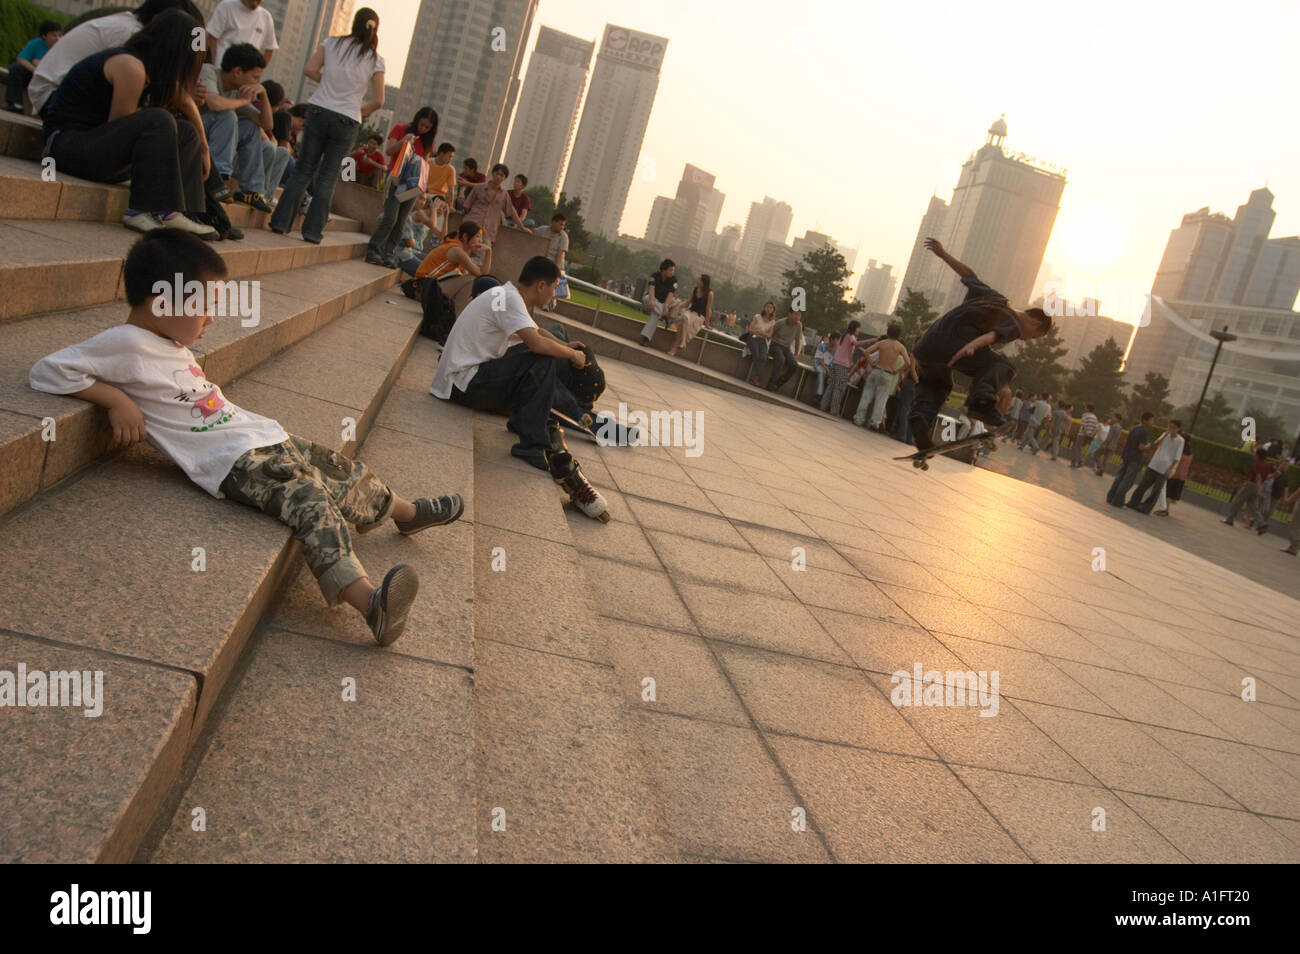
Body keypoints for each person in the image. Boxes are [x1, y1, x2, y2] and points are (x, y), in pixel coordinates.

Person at [28, 231, 463, 645]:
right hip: (233, 462)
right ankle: (370, 603)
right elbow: (47, 369)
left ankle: (404, 512)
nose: (211, 319)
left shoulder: (166, 340)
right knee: (311, 501)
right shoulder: (125, 342)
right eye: (204, 306)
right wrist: (113, 400)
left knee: (338, 469)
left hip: (258, 436)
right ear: (161, 304)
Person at [430, 256, 608, 519]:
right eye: (554, 286)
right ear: (540, 285)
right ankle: (530, 444)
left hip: (461, 380)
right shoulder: (509, 299)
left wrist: (565, 346)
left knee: (543, 353)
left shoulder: (507, 295)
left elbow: (536, 333)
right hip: (463, 383)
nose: (554, 294)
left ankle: (527, 424)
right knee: (542, 358)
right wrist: (570, 356)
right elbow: (536, 345)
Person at [42, 10, 214, 238]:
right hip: (65, 148)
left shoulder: (148, 70)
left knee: (186, 132)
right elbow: (121, 126)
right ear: (175, 53)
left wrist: (203, 146)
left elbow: (183, 99)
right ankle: (140, 210)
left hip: (92, 150)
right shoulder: (130, 66)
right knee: (159, 119)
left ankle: (182, 213)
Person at [907, 238, 1051, 451]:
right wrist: (973, 345)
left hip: (927, 346)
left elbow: (968, 275)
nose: (1027, 339)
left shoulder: (994, 297)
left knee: (936, 386)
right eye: (1033, 336)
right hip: (957, 344)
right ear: (1034, 322)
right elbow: (992, 336)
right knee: (1005, 366)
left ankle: (920, 424)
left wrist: (943, 254)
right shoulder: (1014, 322)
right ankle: (980, 404)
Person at [269, 9, 385, 244]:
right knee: (328, 176)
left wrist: (329, 84)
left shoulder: (332, 43)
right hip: (347, 119)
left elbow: (310, 69)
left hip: (319, 111)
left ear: (354, 23)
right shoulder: (375, 60)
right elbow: (379, 100)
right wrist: (357, 108)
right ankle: (312, 232)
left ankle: (281, 222)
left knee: (303, 169)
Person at [29, 2, 204, 118]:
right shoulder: (129, 34)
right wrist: (183, 97)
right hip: (52, 96)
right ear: (158, 19)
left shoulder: (134, 30)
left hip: (58, 92)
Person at [198, 43, 274, 212]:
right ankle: (217, 178)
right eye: (255, 78)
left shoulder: (236, 93)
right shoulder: (209, 72)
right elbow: (214, 103)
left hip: (209, 139)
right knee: (228, 115)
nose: (257, 83)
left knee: (250, 126)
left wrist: (264, 94)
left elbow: (267, 124)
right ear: (238, 72)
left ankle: (250, 191)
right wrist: (244, 102)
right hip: (191, 132)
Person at [364, 106, 436, 266]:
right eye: (422, 124)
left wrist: (423, 186)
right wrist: (405, 141)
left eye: (428, 127)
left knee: (402, 221)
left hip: (412, 185)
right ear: (417, 119)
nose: (423, 129)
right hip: (397, 179)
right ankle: (373, 249)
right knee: (390, 217)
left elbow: (425, 163)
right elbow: (389, 150)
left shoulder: (427, 142)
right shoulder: (401, 129)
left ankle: (389, 253)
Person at [461, 163, 527, 260]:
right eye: (497, 173)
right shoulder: (479, 188)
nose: (498, 177)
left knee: (478, 262)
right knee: (461, 256)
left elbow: (512, 212)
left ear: (504, 178)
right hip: (470, 227)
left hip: (488, 232)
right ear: (493, 173)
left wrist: (522, 227)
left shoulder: (504, 195)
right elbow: (467, 206)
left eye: (502, 175)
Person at [852, 322, 908, 430]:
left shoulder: (882, 343)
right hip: (888, 374)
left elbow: (867, 352)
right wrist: (897, 371)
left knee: (866, 396)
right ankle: (875, 423)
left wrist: (872, 364)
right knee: (881, 401)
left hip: (876, 370)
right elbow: (908, 363)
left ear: (887, 333)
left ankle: (859, 419)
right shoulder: (900, 347)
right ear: (899, 335)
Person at [1127, 419, 1184, 514]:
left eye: (1173, 427)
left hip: (1164, 468)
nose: (1171, 429)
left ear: (1178, 429)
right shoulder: (1165, 435)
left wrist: (1170, 470)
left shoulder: (1180, 441)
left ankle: (1145, 507)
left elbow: (1177, 457)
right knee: (1142, 485)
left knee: (1156, 490)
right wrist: (1165, 435)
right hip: (1154, 464)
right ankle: (1133, 502)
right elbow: (1155, 444)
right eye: (1169, 426)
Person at [6, 20, 62, 112]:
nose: (58, 38)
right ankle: (16, 105)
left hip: (50, 80)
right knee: (16, 68)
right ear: (44, 36)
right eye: (54, 35)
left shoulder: (62, 48)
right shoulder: (36, 43)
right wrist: (35, 69)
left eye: (60, 35)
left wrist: (40, 64)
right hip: (34, 76)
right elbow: (21, 59)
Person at [207, 0, 277, 71]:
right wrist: (212, 66)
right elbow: (212, 37)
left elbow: (270, 49)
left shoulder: (266, 17)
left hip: (246, 74)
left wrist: (258, 72)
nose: (255, 2)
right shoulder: (226, 6)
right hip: (221, 68)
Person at [1107, 413, 1153, 506]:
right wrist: (1148, 446)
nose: (1152, 423)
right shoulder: (1144, 431)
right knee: (1127, 481)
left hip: (1127, 455)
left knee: (1119, 477)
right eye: (1151, 420)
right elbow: (1141, 447)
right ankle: (1118, 501)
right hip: (1135, 458)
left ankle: (1111, 497)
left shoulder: (1133, 428)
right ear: (1145, 421)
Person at [1224, 448, 1276, 528]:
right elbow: (1278, 473)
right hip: (1259, 485)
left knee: (1238, 501)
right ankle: (1261, 523)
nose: (1254, 456)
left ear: (1258, 455)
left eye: (1255, 454)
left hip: (1251, 484)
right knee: (1252, 506)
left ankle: (1229, 519)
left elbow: (1258, 477)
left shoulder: (1257, 464)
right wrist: (1267, 477)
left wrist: (1259, 490)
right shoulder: (1269, 464)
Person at [820, 319, 862, 415]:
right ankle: (834, 411)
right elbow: (856, 344)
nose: (860, 330)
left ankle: (823, 406)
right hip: (842, 365)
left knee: (831, 386)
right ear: (855, 328)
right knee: (838, 388)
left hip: (835, 363)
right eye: (859, 328)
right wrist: (873, 340)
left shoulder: (843, 336)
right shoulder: (851, 337)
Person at [666, 274, 713, 357]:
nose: (697, 281)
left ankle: (674, 348)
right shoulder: (695, 290)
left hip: (699, 316)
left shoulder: (709, 293)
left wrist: (707, 324)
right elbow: (687, 303)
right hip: (690, 312)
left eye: (699, 280)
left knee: (683, 322)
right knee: (684, 318)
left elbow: (708, 309)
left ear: (703, 282)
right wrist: (677, 306)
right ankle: (683, 342)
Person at [639, 260, 678, 345]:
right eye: (670, 270)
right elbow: (651, 288)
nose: (672, 272)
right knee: (646, 298)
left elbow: (671, 294)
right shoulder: (655, 275)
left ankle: (646, 339)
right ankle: (665, 317)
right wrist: (653, 300)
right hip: (651, 300)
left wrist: (666, 306)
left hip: (662, 303)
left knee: (655, 315)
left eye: (673, 270)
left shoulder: (674, 280)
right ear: (664, 270)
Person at [764, 308, 804, 390]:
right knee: (781, 359)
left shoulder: (799, 325)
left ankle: (779, 383)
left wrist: (796, 355)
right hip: (775, 345)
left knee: (794, 365)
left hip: (786, 348)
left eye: (799, 315)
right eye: (795, 314)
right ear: (789, 314)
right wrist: (766, 348)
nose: (797, 317)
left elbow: (797, 341)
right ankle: (771, 383)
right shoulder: (780, 322)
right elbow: (770, 334)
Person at [1154, 438, 1194, 516]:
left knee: (1168, 492)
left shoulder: (1180, 452)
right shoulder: (1190, 454)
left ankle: (1166, 509)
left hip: (1174, 474)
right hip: (1182, 476)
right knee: (1172, 493)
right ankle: (1167, 508)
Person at [538, 213, 569, 310]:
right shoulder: (542, 230)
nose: (562, 227)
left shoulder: (563, 236)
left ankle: (548, 305)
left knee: (551, 286)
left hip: (555, 265)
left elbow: (560, 254)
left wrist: (555, 270)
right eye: (561, 224)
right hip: (542, 262)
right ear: (553, 222)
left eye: (564, 225)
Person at [744, 302, 779, 387]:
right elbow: (750, 329)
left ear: (773, 310)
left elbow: (769, 335)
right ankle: (755, 379)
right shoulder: (757, 317)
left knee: (763, 357)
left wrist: (760, 333)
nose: (768, 309)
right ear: (764, 307)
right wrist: (761, 333)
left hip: (763, 341)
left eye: (771, 308)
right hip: (753, 337)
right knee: (756, 354)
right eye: (767, 307)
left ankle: (754, 378)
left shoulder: (772, 322)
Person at [1254, 458, 1291, 535]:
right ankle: (1259, 524)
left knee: (1269, 512)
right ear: (1280, 464)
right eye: (1284, 465)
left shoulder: (1285, 477)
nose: (1286, 467)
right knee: (1265, 510)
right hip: (1269, 494)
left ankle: (1262, 526)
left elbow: (1286, 488)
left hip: (1277, 497)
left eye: (1287, 466)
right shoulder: (1275, 472)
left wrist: (1285, 498)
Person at [814, 333, 836, 397]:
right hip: (819, 364)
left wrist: (830, 370)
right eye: (837, 340)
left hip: (829, 367)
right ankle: (819, 395)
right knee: (822, 372)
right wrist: (827, 370)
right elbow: (820, 360)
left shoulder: (836, 350)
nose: (838, 342)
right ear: (832, 339)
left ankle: (819, 396)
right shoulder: (822, 345)